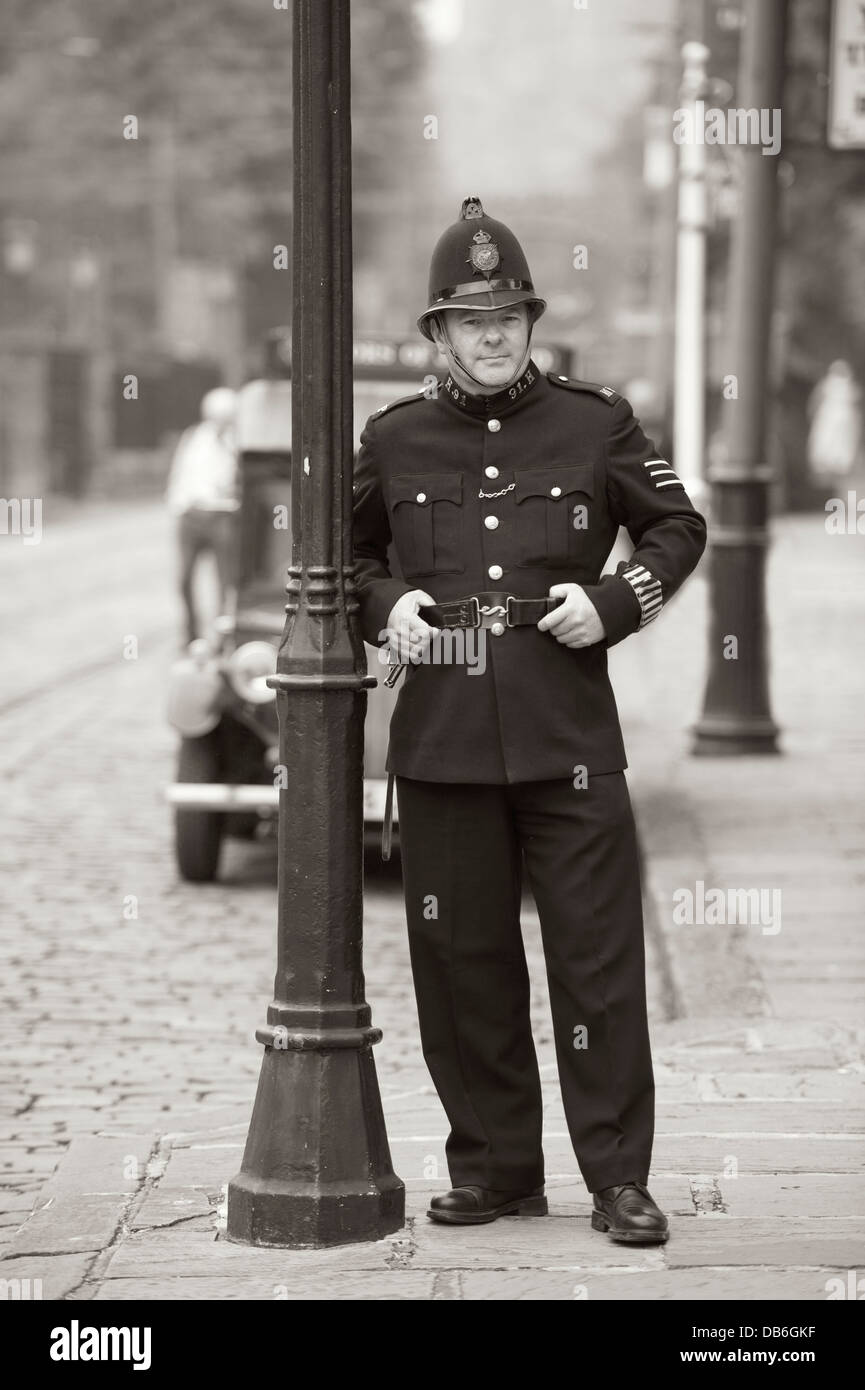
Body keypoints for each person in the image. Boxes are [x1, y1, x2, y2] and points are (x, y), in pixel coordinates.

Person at [352, 197, 707, 1244]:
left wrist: (612, 601)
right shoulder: (394, 437)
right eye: (470, 319)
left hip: (571, 743)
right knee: (462, 964)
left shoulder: (597, 423)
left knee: (594, 960)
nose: (492, 332)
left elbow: (676, 525)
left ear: (530, 322)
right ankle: (499, 1168)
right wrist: (387, 607)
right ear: (437, 334)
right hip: (446, 740)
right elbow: (348, 557)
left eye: (507, 314)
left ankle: (616, 1180)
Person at [165, 387, 240, 643]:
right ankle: (191, 635)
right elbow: (180, 473)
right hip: (192, 515)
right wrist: (179, 505)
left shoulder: (238, 443)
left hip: (223, 515)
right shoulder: (194, 437)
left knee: (226, 582)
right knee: (184, 579)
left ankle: (223, 637)